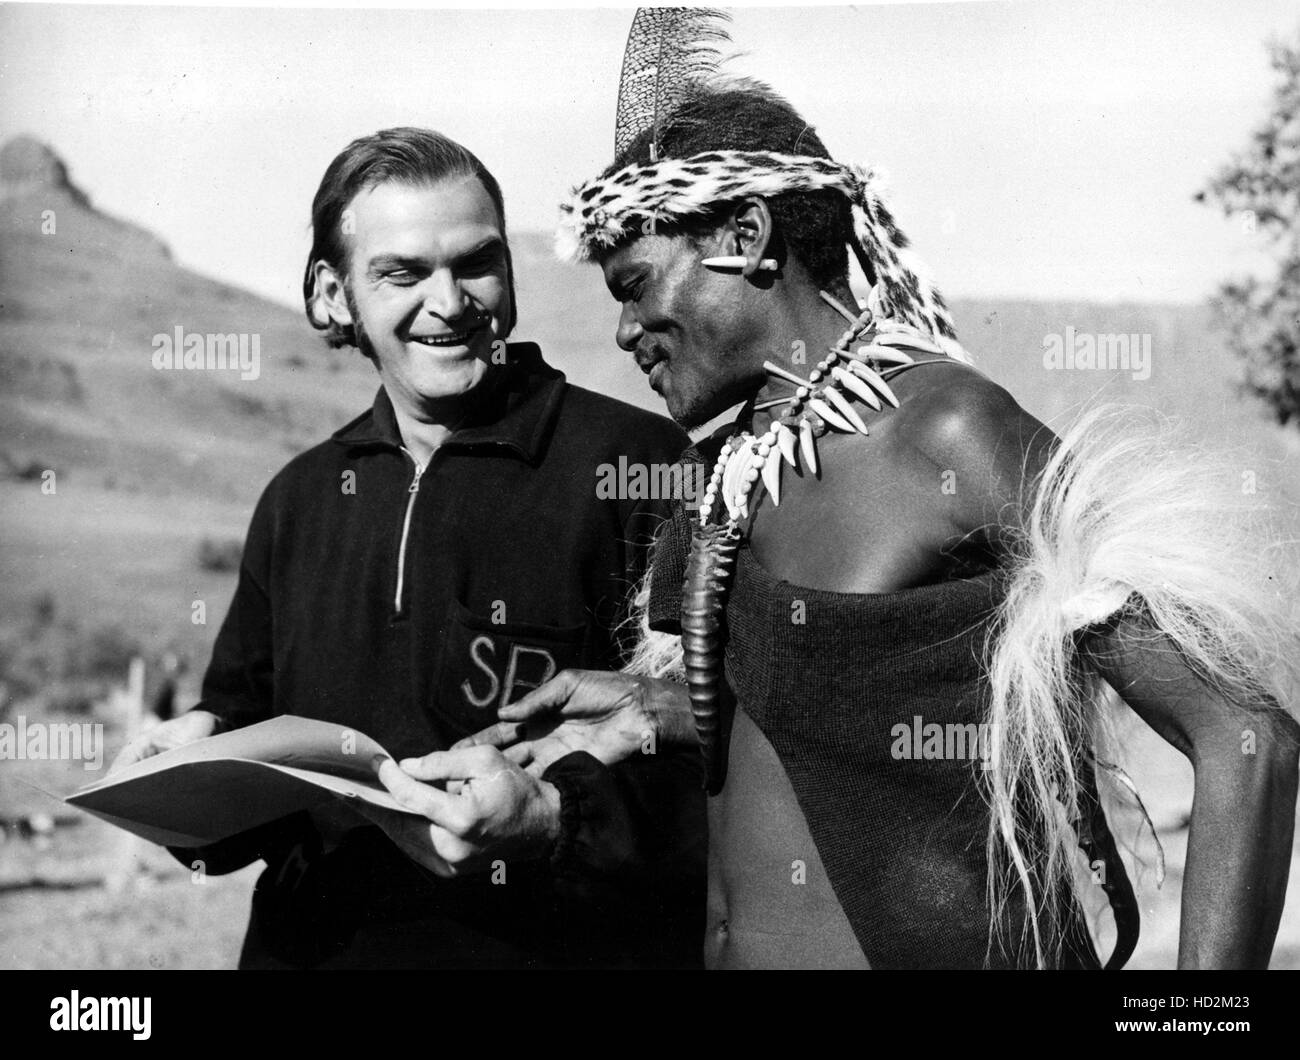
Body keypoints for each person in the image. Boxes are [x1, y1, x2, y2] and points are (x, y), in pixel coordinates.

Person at [473, 11, 1300, 969]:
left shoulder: (943, 431)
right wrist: (639, 711)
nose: (625, 331)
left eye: (636, 283)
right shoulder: (733, 476)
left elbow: (1246, 737)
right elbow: (823, 708)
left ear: (748, 237)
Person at [111, 127, 706, 969]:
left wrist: (552, 821)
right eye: (403, 273)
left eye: (476, 264)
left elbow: (733, 774)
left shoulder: (643, 470)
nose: (451, 302)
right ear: (332, 293)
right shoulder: (299, 499)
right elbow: (241, 809)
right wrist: (185, 781)